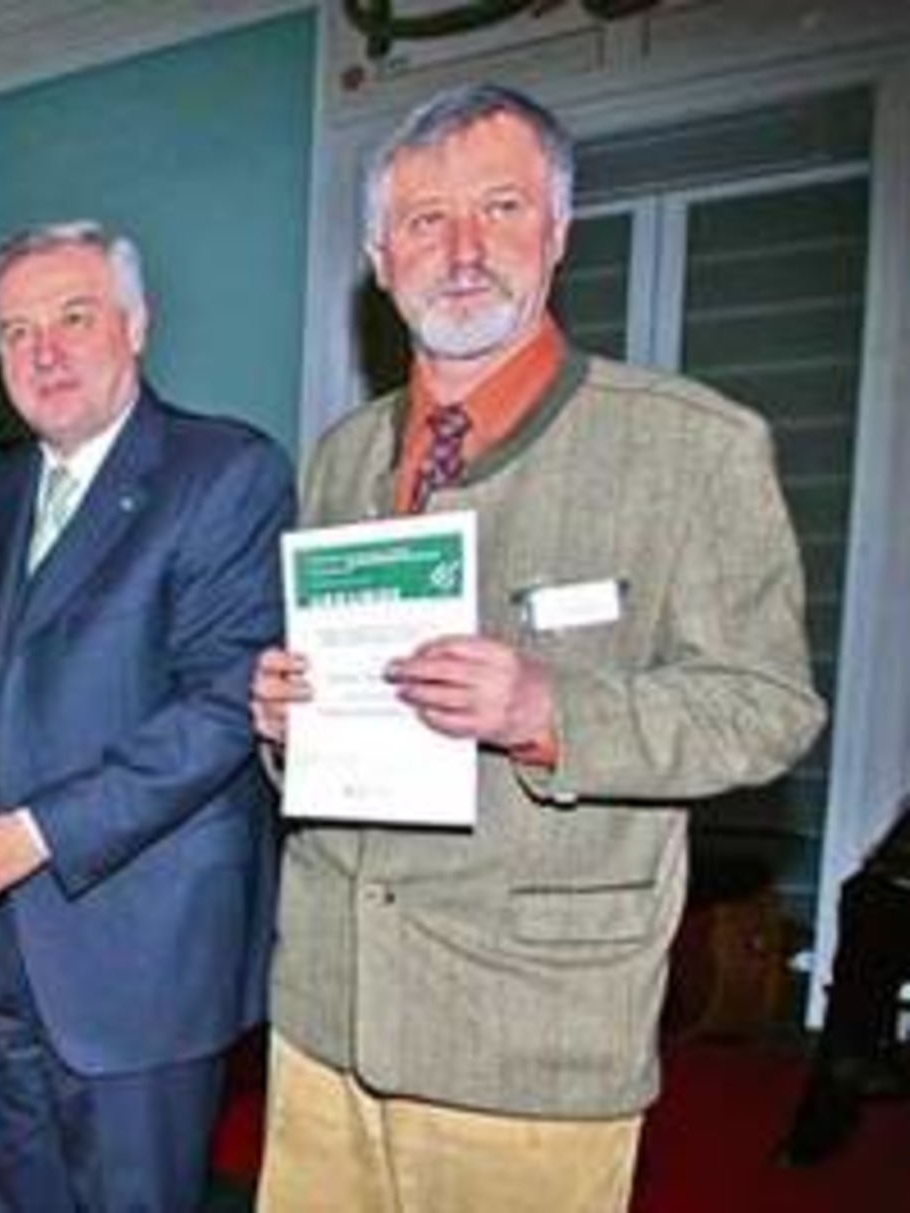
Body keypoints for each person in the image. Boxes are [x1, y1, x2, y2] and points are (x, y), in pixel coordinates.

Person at [250, 83, 828, 1212]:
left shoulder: (690, 447)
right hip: (325, 1015)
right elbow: (333, 721)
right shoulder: (339, 457)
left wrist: (546, 710)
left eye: (499, 208)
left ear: (556, 233)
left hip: (525, 1039)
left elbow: (766, 706)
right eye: (423, 222)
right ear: (378, 255)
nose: (460, 251)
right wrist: (285, 721)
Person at [0, 220, 294, 1212]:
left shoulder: (224, 471)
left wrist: (30, 835)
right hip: (1, 946)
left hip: (140, 952)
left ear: (135, 324)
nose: (43, 351)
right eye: (17, 331)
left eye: (73, 317)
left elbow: (219, 706)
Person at [781, 794, 910, 1167]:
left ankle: (816, 1132)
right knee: (854, 1012)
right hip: (884, 895)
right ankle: (849, 1074)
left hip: (878, 893)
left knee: (853, 1012)